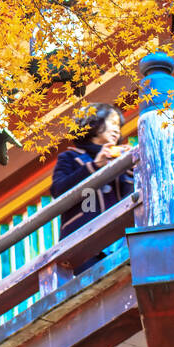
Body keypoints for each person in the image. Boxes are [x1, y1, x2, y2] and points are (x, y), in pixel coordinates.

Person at [51, 104, 134, 270]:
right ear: (92, 123)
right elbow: (58, 191)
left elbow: (130, 197)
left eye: (118, 125)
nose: (117, 129)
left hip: (120, 239)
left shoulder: (120, 159)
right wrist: (95, 166)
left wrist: (131, 167)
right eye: (112, 122)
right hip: (83, 241)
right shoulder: (70, 157)